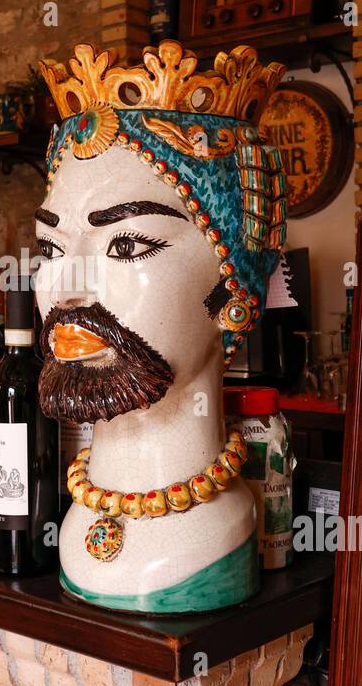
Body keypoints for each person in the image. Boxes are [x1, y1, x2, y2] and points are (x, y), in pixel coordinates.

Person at [33, 40, 287, 613]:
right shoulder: (70, 518)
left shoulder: (217, 531)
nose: (67, 285)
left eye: (125, 244)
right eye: (50, 247)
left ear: (235, 286)